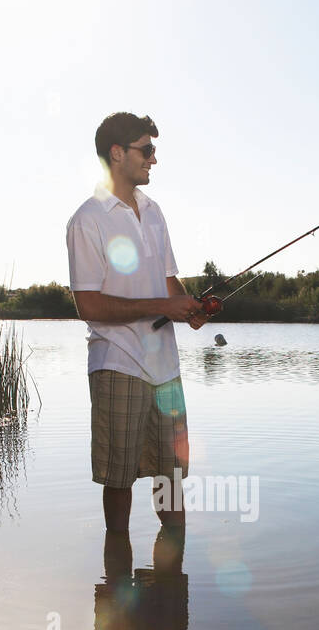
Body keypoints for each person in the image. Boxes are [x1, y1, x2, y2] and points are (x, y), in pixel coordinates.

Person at [66, 112, 211, 535]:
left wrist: (190, 307)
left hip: (166, 368)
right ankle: (117, 576)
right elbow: (88, 305)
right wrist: (160, 305)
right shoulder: (87, 219)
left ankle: (172, 582)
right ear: (117, 153)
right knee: (119, 481)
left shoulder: (155, 212)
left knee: (172, 479)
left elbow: (168, 282)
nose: (153, 159)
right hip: (118, 362)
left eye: (153, 151)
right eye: (145, 150)